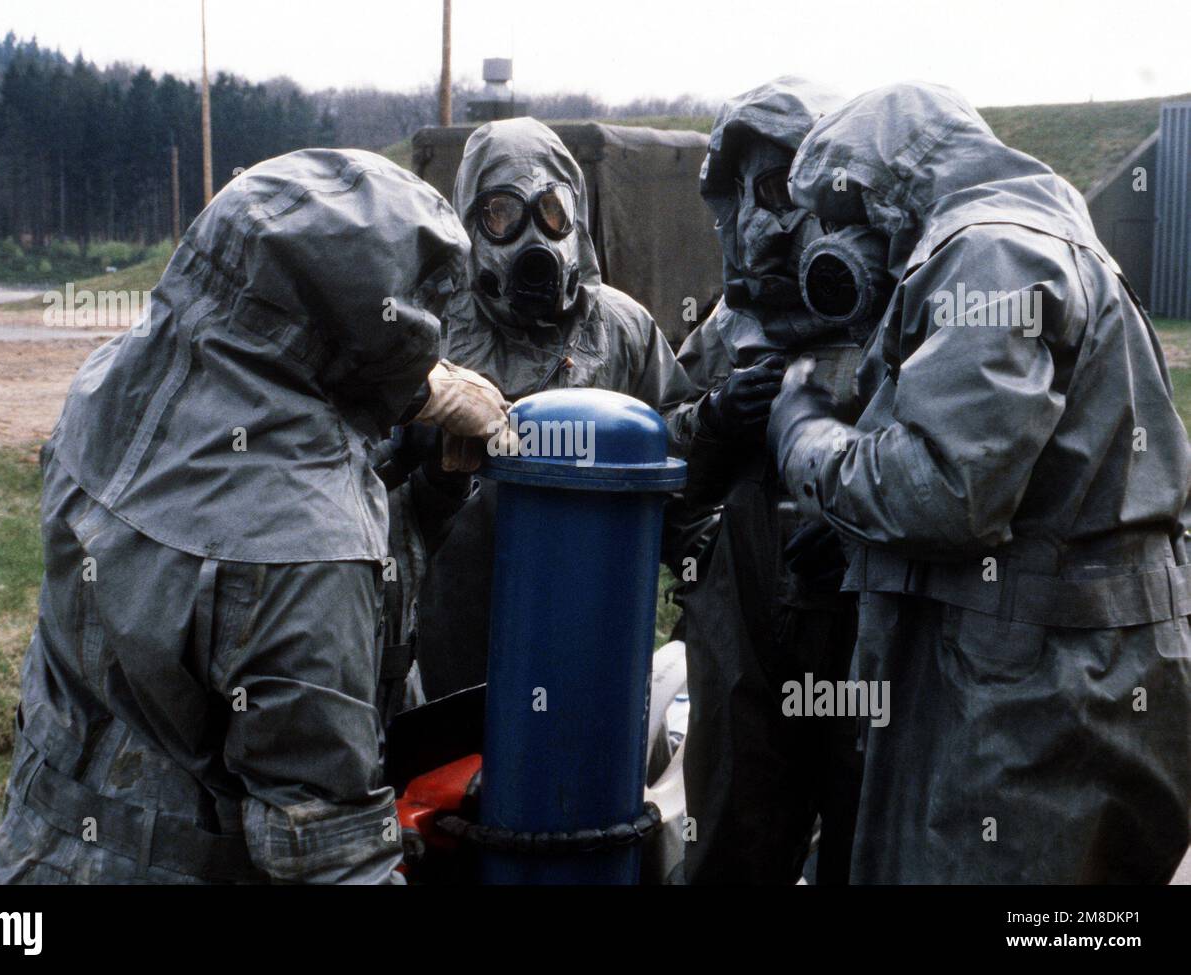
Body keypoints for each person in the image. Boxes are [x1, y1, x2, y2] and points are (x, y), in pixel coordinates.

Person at [0, 149, 510, 884]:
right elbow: (333, 859)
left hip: (31, 854)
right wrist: (394, 387)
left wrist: (427, 477)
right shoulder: (309, 552)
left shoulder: (107, 388)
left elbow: (245, 403)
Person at [769, 82, 1191, 883]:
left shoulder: (989, 251)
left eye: (846, 212)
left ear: (887, 185)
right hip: (1093, 679)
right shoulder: (1046, 233)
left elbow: (945, 492)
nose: (843, 240)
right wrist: (870, 549)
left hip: (1031, 701)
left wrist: (805, 437)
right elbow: (1043, 485)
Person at [664, 77, 866, 884]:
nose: (760, 216)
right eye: (747, 192)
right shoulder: (725, 327)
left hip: (865, 621)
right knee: (733, 832)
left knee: (864, 831)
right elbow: (668, 475)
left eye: (781, 187)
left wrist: (862, 534)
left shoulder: (890, 311)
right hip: (743, 617)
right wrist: (714, 417)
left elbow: (954, 466)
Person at [416, 117, 690, 699]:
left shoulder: (621, 328)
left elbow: (674, 448)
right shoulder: (432, 328)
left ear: (576, 219)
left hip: (590, 609)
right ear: (470, 224)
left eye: (551, 212)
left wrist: (702, 561)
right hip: (458, 618)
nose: (532, 239)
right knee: (456, 746)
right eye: (502, 215)